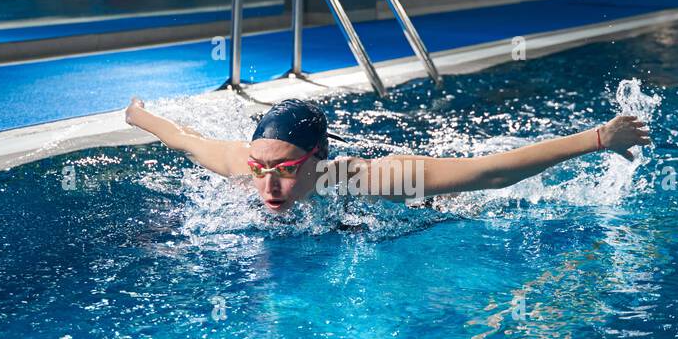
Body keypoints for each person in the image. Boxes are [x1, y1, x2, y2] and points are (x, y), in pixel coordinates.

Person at [124, 97, 651, 215]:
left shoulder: (363, 179)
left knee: (455, 203)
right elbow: (184, 139)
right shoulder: (248, 165)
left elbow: (488, 173)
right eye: (262, 170)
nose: (268, 187)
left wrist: (599, 139)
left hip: (411, 204)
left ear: (315, 159)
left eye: (284, 171)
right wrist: (138, 115)